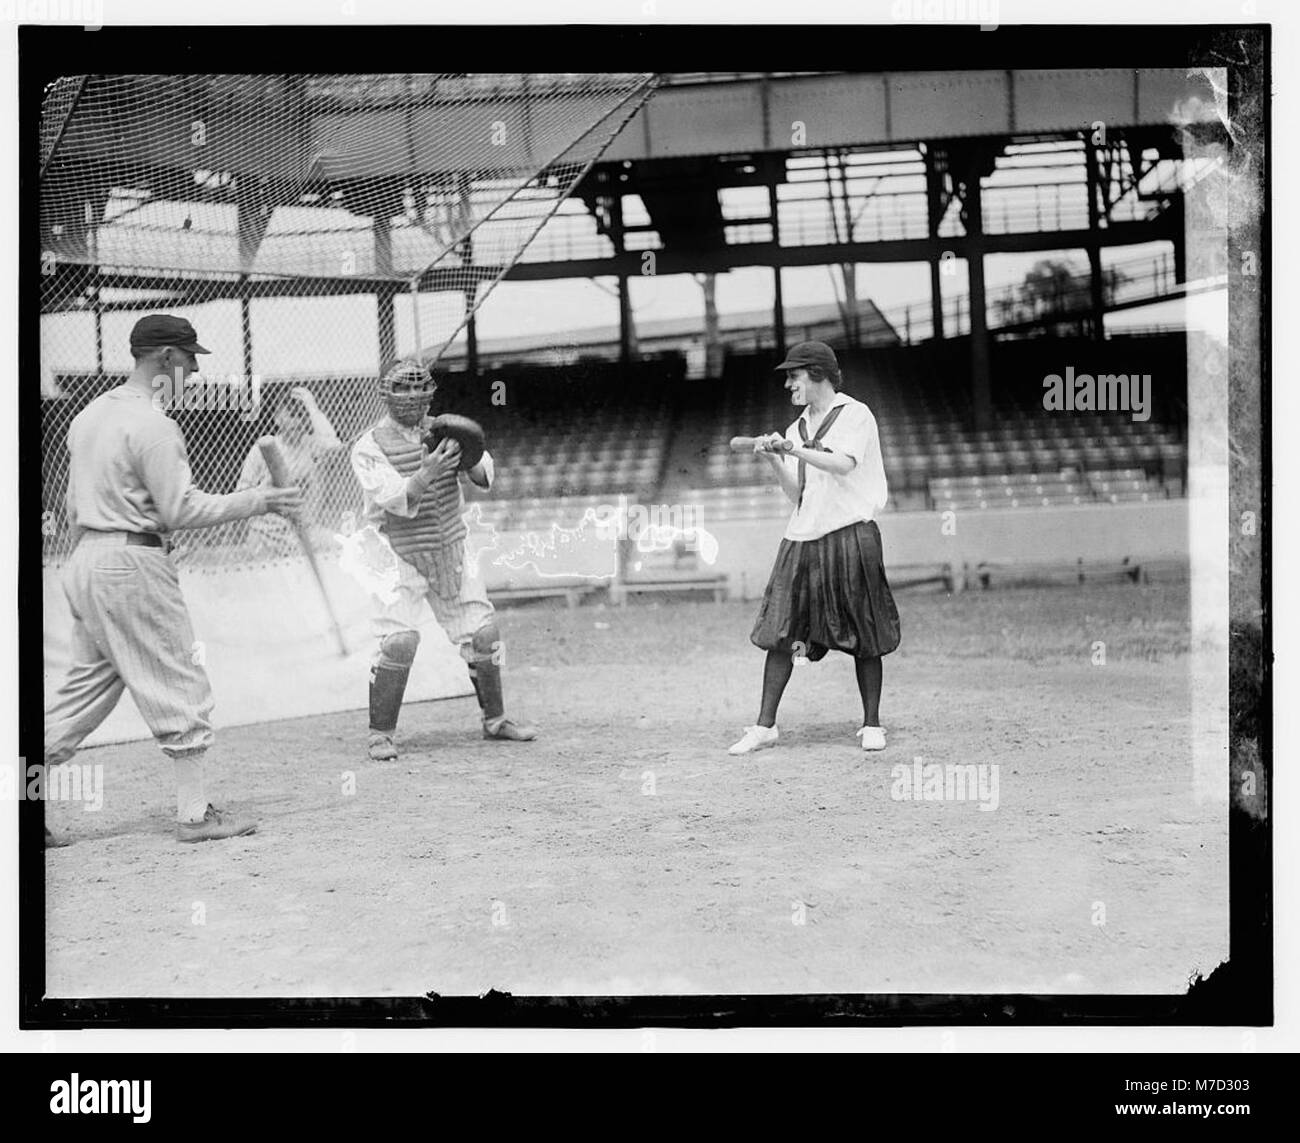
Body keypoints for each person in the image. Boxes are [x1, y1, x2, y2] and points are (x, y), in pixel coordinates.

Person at [43, 314, 302, 844]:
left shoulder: (89, 414)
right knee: (180, 680)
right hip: (131, 562)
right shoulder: (155, 423)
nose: (192, 371)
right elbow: (180, 507)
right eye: (188, 359)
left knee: (83, 693)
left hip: (87, 559)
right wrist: (263, 500)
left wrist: (90, 569)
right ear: (164, 357)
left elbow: (72, 507)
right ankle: (194, 816)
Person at [350, 360, 537, 762]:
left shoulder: (447, 429)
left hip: (450, 541)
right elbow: (394, 500)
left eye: (420, 388)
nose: (413, 397)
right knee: (399, 641)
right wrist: (428, 470)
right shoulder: (368, 445)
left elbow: (485, 476)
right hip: (396, 548)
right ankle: (380, 734)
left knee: (484, 634)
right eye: (404, 388)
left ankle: (495, 720)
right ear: (387, 394)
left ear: (430, 393)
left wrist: (465, 452)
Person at [728, 341, 901, 756]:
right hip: (803, 536)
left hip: (850, 534)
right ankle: (765, 726)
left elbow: (843, 464)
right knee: (781, 632)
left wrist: (794, 449)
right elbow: (797, 493)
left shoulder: (855, 414)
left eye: (795, 375)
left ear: (818, 374)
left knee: (865, 629)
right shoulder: (795, 429)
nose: (788, 384)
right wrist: (775, 456)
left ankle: (872, 724)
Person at [236, 385, 344, 556]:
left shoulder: (310, 444)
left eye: (302, 416)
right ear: (278, 418)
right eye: (292, 415)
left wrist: (312, 406)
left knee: (341, 546)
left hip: (304, 530)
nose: (298, 422)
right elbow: (242, 489)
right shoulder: (264, 447)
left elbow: (333, 445)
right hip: (266, 534)